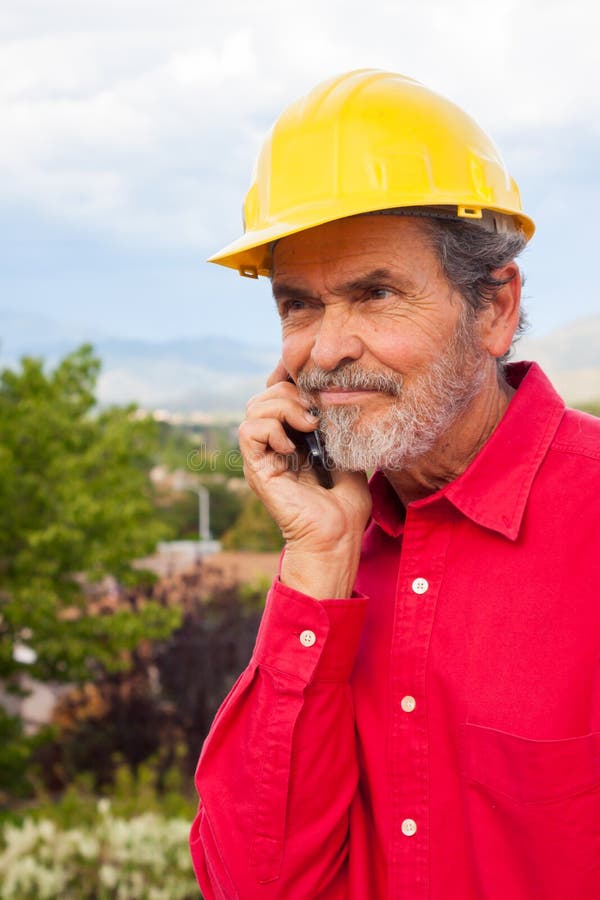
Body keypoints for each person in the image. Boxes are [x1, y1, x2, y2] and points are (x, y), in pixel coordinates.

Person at [189, 70, 600, 900]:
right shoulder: (330, 552)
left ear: (491, 308)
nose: (327, 348)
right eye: (299, 306)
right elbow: (254, 885)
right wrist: (318, 561)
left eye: (375, 294)